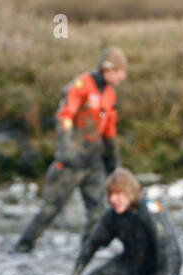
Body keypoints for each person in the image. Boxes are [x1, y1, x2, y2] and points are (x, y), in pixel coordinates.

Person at [13, 47, 128, 252]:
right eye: (121, 71)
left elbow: (109, 130)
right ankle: (24, 245)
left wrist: (114, 161)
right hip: (71, 159)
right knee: (50, 209)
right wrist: (66, 147)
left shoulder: (110, 95)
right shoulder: (82, 85)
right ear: (109, 70)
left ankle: (86, 250)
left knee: (98, 210)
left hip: (92, 160)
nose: (124, 76)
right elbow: (65, 116)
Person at [68, 168, 181, 275]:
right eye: (111, 194)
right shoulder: (112, 216)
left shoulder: (149, 210)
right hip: (130, 265)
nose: (113, 199)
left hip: (155, 270)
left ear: (130, 192)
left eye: (118, 194)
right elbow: (91, 245)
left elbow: (170, 251)